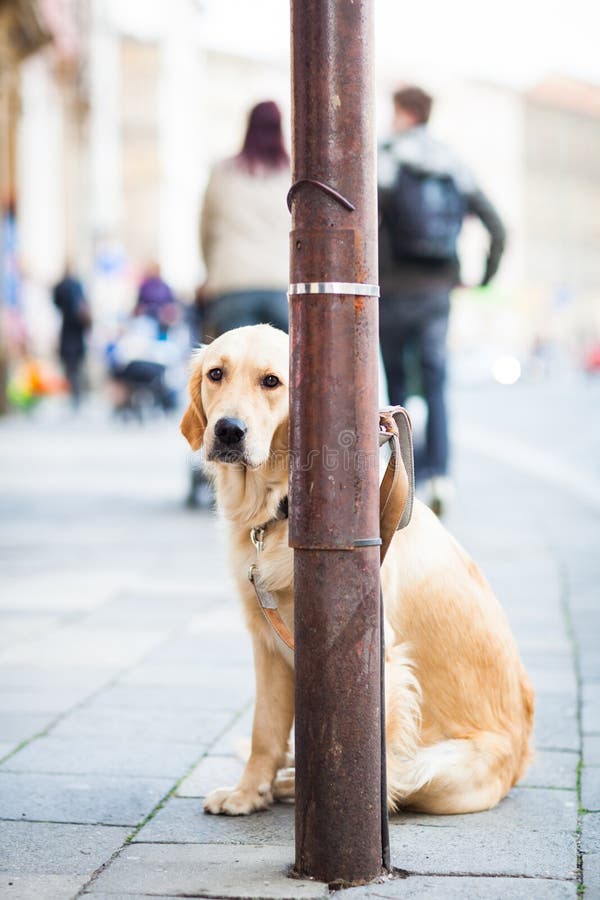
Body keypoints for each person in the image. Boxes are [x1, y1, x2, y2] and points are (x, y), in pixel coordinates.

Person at [378, 85, 506, 515]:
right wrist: (481, 278)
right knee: (435, 385)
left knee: (395, 387)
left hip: (394, 289)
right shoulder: (453, 162)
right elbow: (497, 226)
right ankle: (442, 478)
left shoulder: (387, 158)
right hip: (438, 290)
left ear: (403, 112)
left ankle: (402, 479)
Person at [198, 100, 290, 338]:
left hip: (231, 282)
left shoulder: (222, 172)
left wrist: (212, 271)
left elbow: (205, 232)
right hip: (281, 283)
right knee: (287, 370)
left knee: (236, 371)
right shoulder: (292, 174)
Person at [53, 268, 91, 408]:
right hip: (73, 335)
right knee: (74, 367)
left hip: (70, 334)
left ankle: (74, 395)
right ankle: (75, 395)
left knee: (72, 367)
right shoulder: (76, 289)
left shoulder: (64, 288)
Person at [134, 262, 179, 337]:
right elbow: (139, 304)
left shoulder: (165, 287)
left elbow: (171, 305)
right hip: (147, 319)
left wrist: (166, 313)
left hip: (162, 321)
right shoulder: (145, 286)